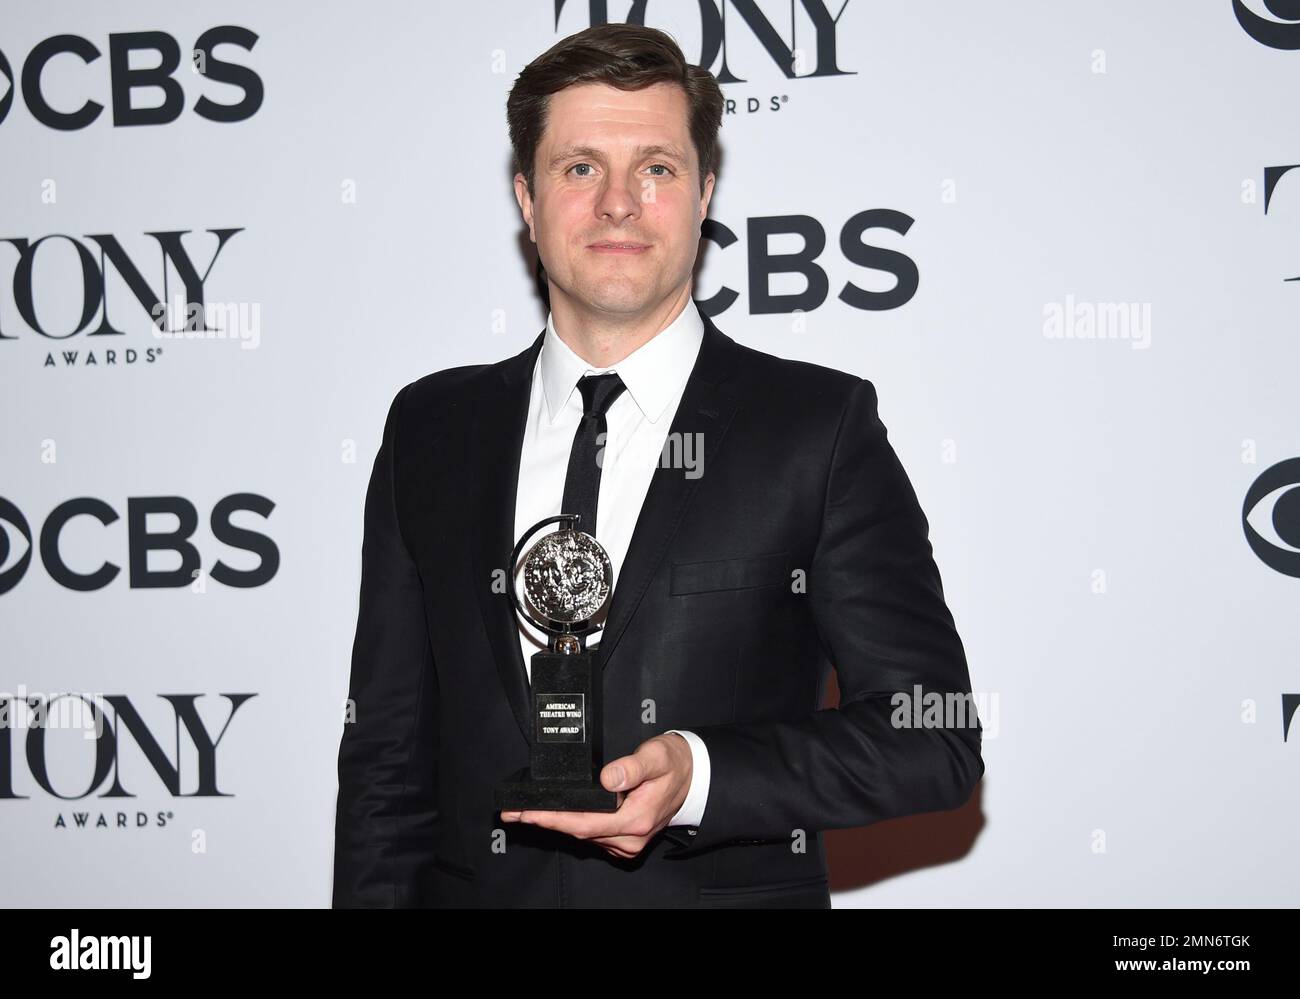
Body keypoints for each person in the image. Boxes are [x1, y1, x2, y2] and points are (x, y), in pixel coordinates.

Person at [332, 22, 983, 909]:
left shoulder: (815, 430)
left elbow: (931, 739)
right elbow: (385, 764)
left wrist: (702, 772)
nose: (618, 204)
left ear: (705, 192)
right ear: (526, 198)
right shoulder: (432, 429)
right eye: (580, 167)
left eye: (658, 168)